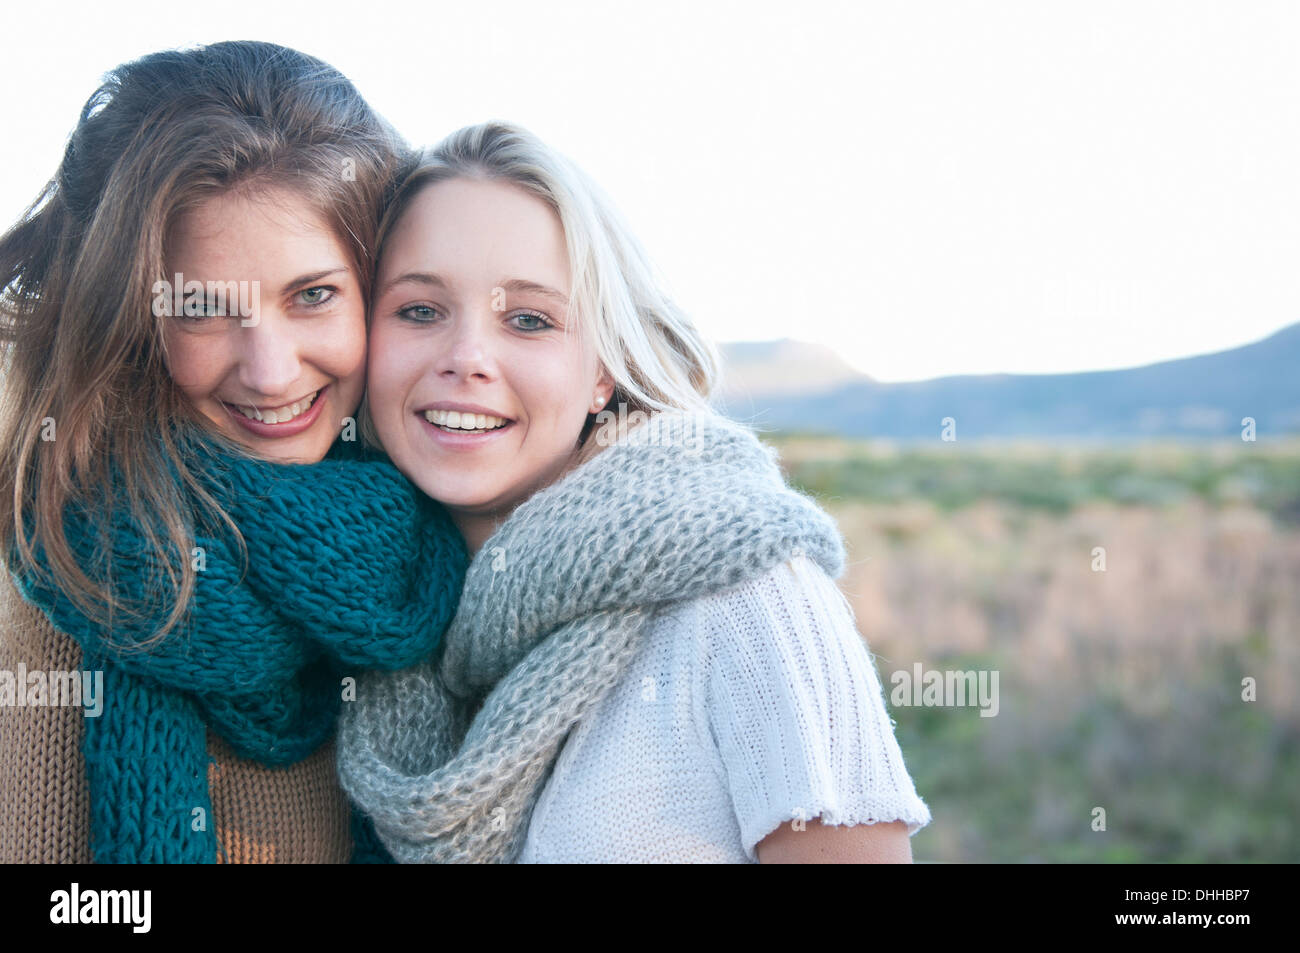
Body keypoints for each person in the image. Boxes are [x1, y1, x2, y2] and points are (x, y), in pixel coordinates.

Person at [338, 121, 932, 862]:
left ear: (602, 371)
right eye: (420, 310)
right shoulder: (366, 625)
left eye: (528, 319)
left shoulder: (746, 591)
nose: (467, 358)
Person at [0, 41, 465, 864]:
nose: (271, 370)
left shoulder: (459, 561)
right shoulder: (45, 601)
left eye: (314, 295)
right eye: (206, 309)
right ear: (134, 326)